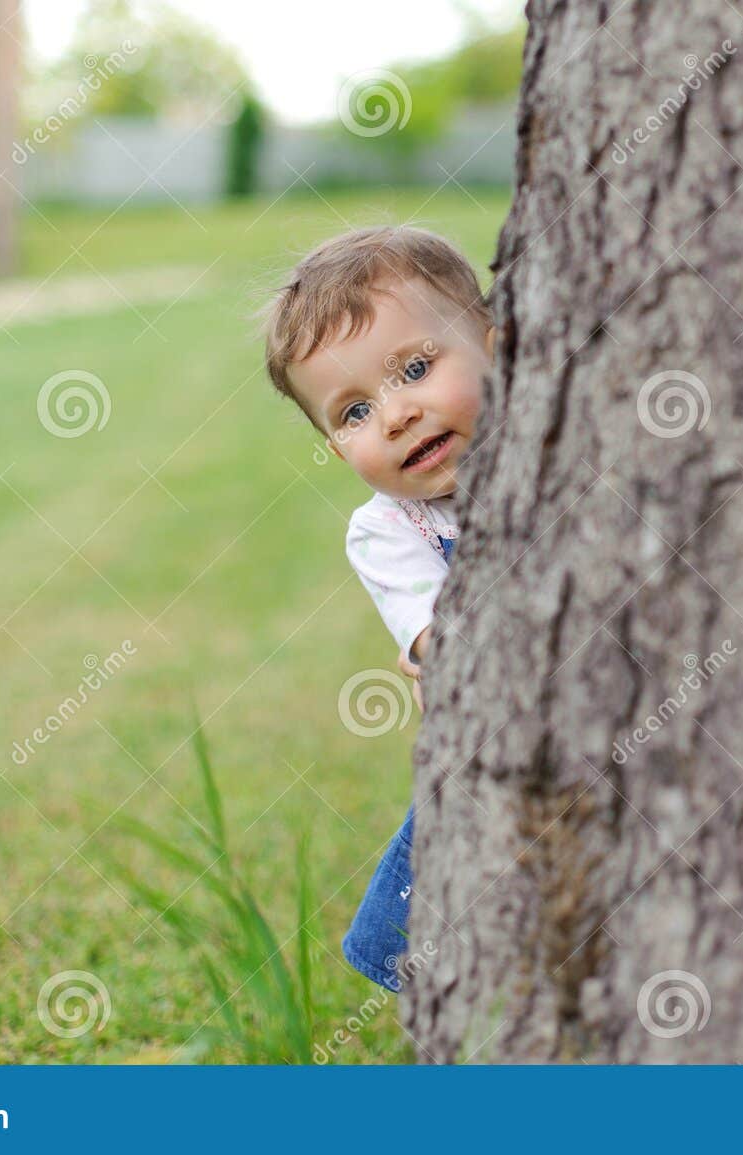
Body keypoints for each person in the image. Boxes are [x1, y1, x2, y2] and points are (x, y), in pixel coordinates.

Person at [263, 225, 493, 990]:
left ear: (503, 343)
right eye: (353, 412)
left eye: (417, 369)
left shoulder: (563, 449)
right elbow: (430, 632)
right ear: (334, 447)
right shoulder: (385, 528)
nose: (394, 416)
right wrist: (436, 651)